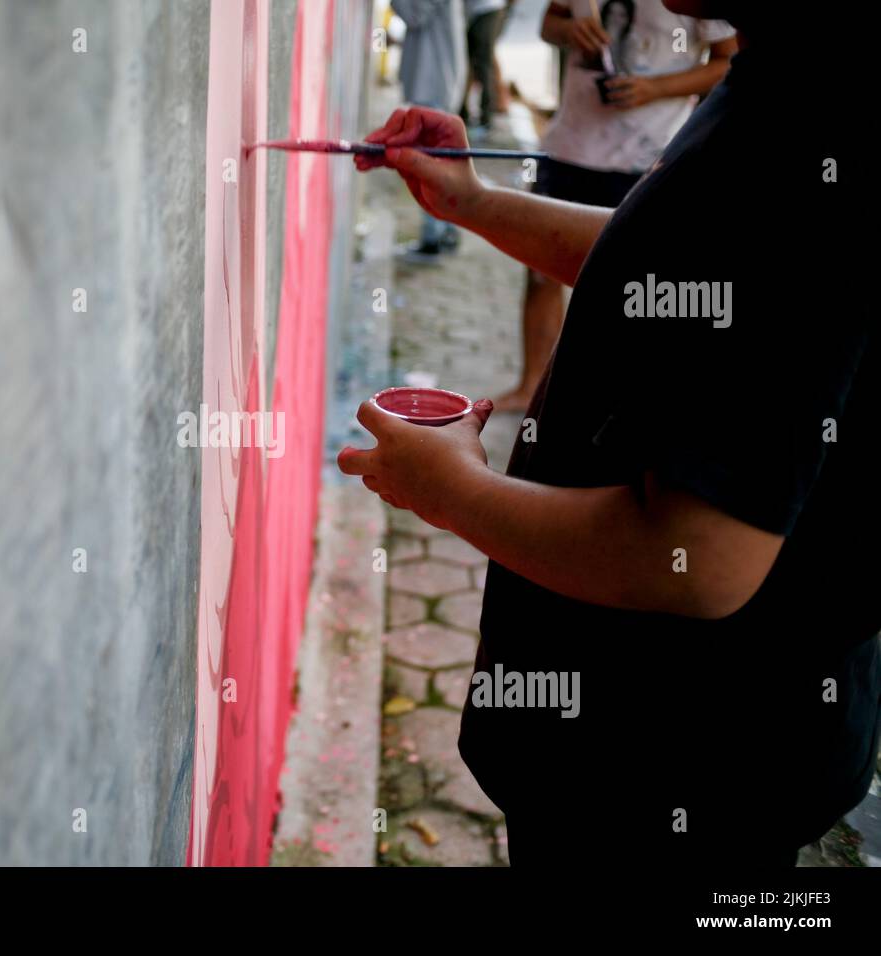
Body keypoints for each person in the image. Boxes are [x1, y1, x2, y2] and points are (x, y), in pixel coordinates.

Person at [341, 3, 876, 865]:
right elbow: (672, 265)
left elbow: (701, 559)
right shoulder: (789, 75)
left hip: (671, 772)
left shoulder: (816, 132)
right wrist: (471, 201)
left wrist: (449, 491)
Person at [493, 1, 737, 412]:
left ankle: (611, 401)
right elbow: (549, 23)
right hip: (569, 145)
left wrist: (654, 89)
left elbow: (728, 62)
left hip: (647, 157)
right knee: (539, 274)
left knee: (631, 282)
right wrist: (571, 31)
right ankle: (532, 384)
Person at [393, 0, 467, 261]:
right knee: (440, 159)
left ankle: (432, 237)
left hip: (433, 80)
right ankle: (445, 230)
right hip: (438, 79)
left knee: (430, 163)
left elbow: (413, 14)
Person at [461, 0, 509, 136]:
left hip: (487, 8)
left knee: (484, 64)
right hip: (474, 12)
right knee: (469, 63)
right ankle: (465, 114)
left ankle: (486, 116)